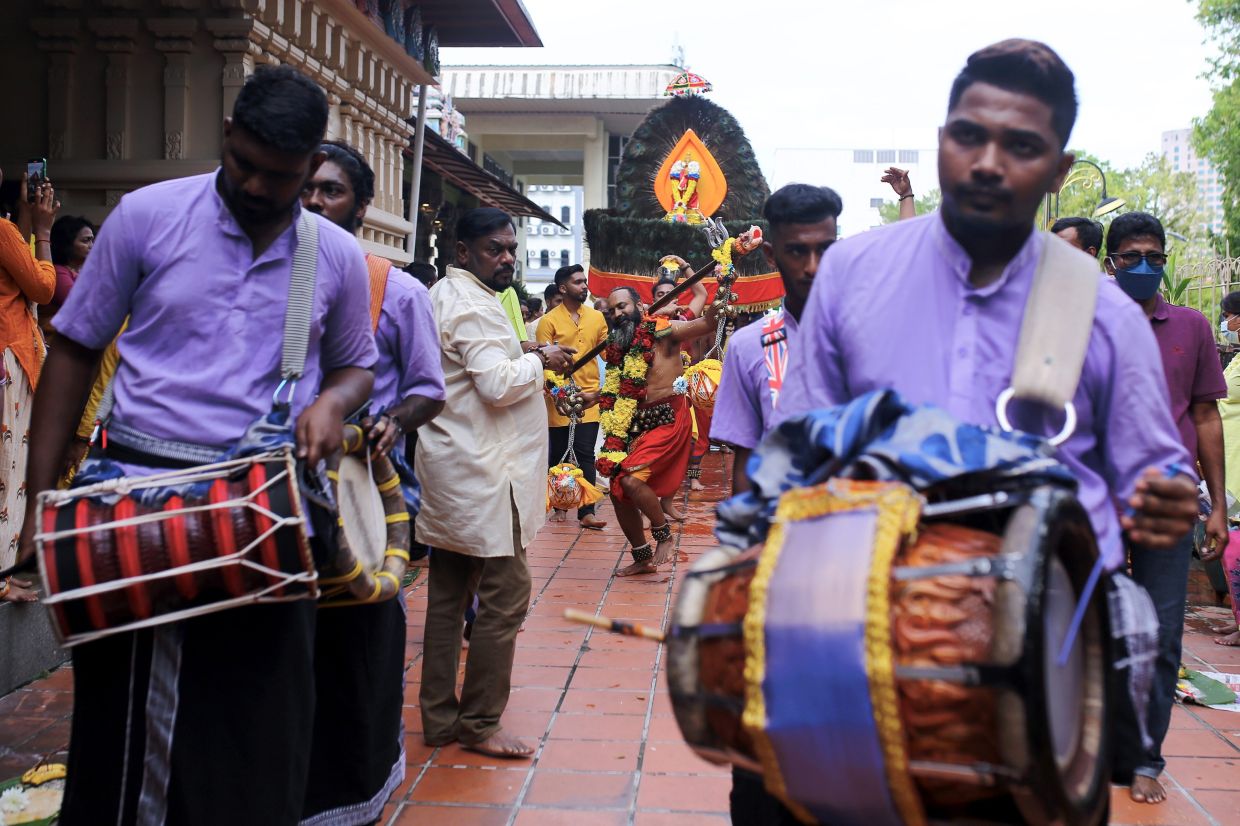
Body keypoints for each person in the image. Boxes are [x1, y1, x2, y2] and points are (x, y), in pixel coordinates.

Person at [768, 40, 1199, 824]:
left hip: (1045, 681)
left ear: (1059, 170)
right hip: (862, 652)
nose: (989, 162)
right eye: (969, 135)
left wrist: (1170, 499)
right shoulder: (852, 274)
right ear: (941, 138)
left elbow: (1154, 479)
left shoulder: (1104, 315)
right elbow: (800, 452)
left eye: (1022, 145)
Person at [19, 65, 378, 824]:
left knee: (259, 724)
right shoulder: (146, 216)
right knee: (122, 726)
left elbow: (355, 368)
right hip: (135, 503)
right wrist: (36, 502)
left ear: (311, 165)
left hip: (267, 511)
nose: (253, 186)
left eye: (278, 176)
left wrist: (330, 404)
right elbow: (75, 346)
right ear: (225, 137)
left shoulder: (338, 258)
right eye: (241, 164)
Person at [300, 139, 446, 824]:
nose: (312, 201)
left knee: (357, 656)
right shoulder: (259, 275)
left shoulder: (398, 288)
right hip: (277, 498)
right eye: (304, 188)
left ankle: (353, 798)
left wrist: (391, 420)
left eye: (329, 190)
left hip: (364, 498)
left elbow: (428, 390)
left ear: (360, 206)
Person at [416, 208, 575, 759]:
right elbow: (497, 385)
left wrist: (526, 351)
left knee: (446, 598)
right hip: (487, 472)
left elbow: (477, 368)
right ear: (463, 252)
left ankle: (438, 718)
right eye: (494, 249)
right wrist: (544, 360)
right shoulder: (472, 305)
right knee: (506, 597)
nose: (507, 257)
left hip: (457, 468)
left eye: (511, 248)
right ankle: (480, 721)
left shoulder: (449, 295)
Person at [1102, 210, 1228, 803]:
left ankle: (1145, 756)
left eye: (1155, 256)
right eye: (1132, 257)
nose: (1145, 267)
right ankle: (1096, 744)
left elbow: (1205, 416)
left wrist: (1219, 507)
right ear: (1111, 263)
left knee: (1161, 631)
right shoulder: (1086, 326)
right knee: (1090, 626)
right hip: (1098, 500)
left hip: (1170, 498)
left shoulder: (1192, 327)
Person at [711, 184, 842, 496]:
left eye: (824, 250)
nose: (813, 266)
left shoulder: (870, 337)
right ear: (771, 255)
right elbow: (745, 462)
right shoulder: (747, 347)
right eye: (797, 251)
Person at [601, 284, 719, 576]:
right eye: (612, 310)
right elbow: (619, 388)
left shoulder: (664, 332)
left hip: (668, 418)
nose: (617, 313)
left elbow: (706, 323)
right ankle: (642, 558)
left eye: (622, 307)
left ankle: (663, 534)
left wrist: (721, 300)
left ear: (639, 307)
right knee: (618, 490)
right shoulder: (619, 345)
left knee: (629, 480)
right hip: (635, 424)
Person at [0, 169, 57, 603]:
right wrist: (42, 232)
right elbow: (42, 287)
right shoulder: (2, 230)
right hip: (8, 358)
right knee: (8, 471)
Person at [537, 263, 608, 529]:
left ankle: (586, 511)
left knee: (585, 453)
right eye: (578, 282)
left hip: (588, 398)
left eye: (584, 281)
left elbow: (607, 355)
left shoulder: (597, 318)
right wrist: (558, 393)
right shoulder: (548, 321)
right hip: (558, 400)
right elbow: (544, 364)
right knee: (559, 455)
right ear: (563, 288)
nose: (584, 286)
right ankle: (559, 505)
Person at [652, 270, 710, 498]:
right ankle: (660, 488)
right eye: (661, 294)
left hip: (686, 385)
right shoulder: (645, 323)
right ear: (653, 299)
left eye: (670, 293)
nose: (666, 297)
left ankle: (693, 476)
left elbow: (701, 294)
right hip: (658, 392)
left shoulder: (684, 319)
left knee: (697, 431)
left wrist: (686, 267)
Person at [1215, 289, 1240, 646]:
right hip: (1228, 460)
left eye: (1226, 316)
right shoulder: (1236, 358)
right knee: (1231, 544)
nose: (1225, 324)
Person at [45, 214, 93, 333]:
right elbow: (80, 305)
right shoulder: (58, 272)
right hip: (58, 341)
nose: (91, 246)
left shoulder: (86, 271)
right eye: (85, 240)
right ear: (67, 244)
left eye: (92, 240)